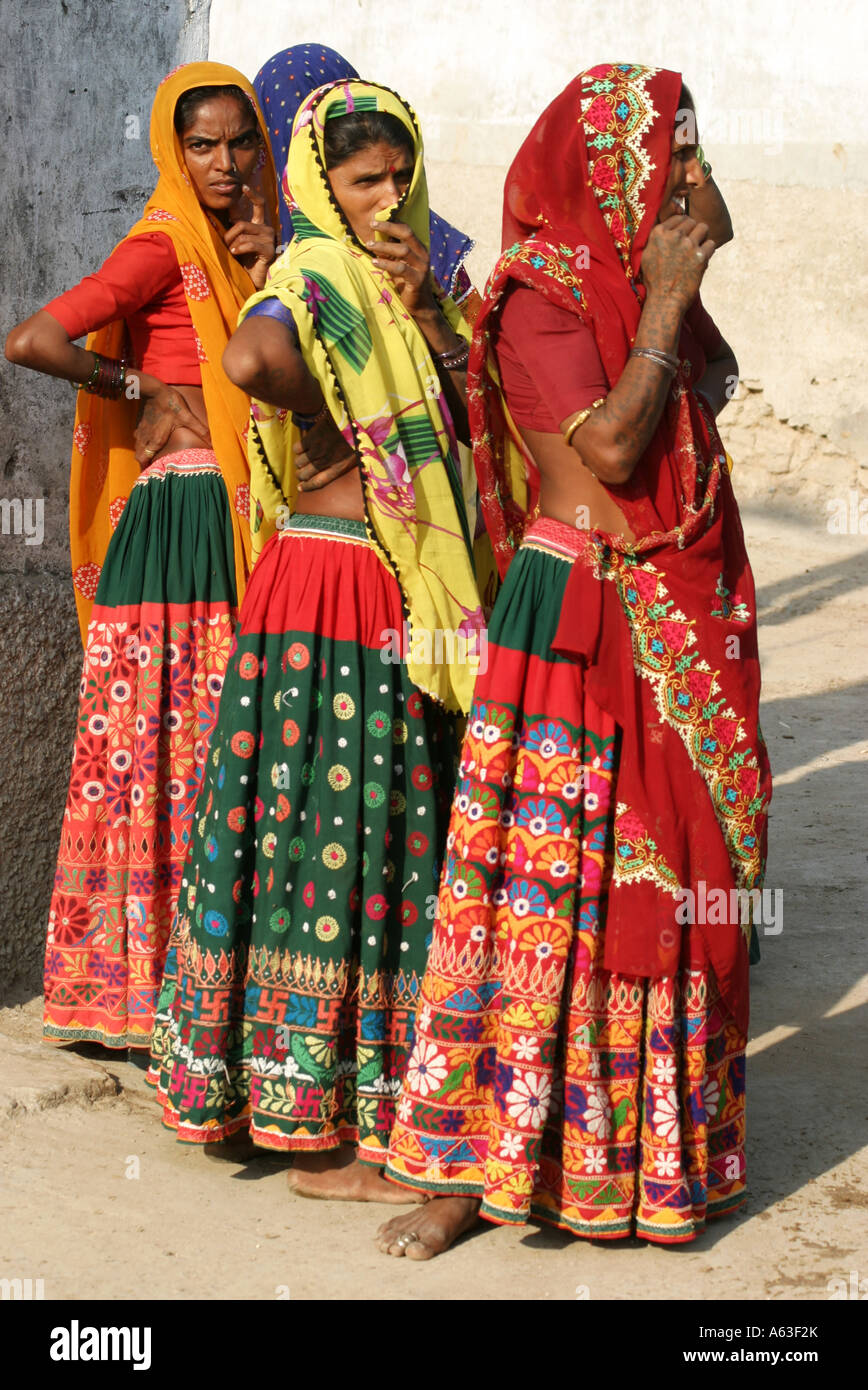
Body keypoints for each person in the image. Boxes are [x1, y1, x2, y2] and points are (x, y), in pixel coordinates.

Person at [378, 62, 772, 1257]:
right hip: (575, 615)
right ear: (601, 173)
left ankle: (651, 1163)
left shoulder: (629, 270)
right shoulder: (538, 293)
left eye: (689, 158)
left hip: (669, 607)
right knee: (542, 892)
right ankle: (474, 1167)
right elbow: (607, 445)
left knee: (663, 883)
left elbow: (714, 378)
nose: (686, 183)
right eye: (667, 162)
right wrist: (659, 302)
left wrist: (686, 254)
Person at [147, 77, 487, 1202]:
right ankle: (336, 1140)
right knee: (350, 830)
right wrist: (333, 418)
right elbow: (250, 362)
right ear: (320, 188)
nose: (387, 198)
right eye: (362, 180)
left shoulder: (404, 289)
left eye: (400, 177)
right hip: (339, 583)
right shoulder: (315, 272)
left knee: (311, 823)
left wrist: (430, 317)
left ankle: (276, 1098)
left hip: (336, 586)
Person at [4, 63, 279, 1048]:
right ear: (172, 148)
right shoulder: (162, 246)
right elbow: (33, 337)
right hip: (178, 526)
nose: (223, 161)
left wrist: (267, 270)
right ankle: (134, 988)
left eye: (241, 141)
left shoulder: (248, 248)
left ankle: (196, 983)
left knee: (205, 746)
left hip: (228, 521)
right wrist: (143, 388)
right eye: (201, 144)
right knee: (163, 744)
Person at [253, 43, 479, 312]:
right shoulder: (256, 236)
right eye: (367, 181)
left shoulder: (421, 238)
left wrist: (426, 312)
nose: (393, 199)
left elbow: (478, 346)